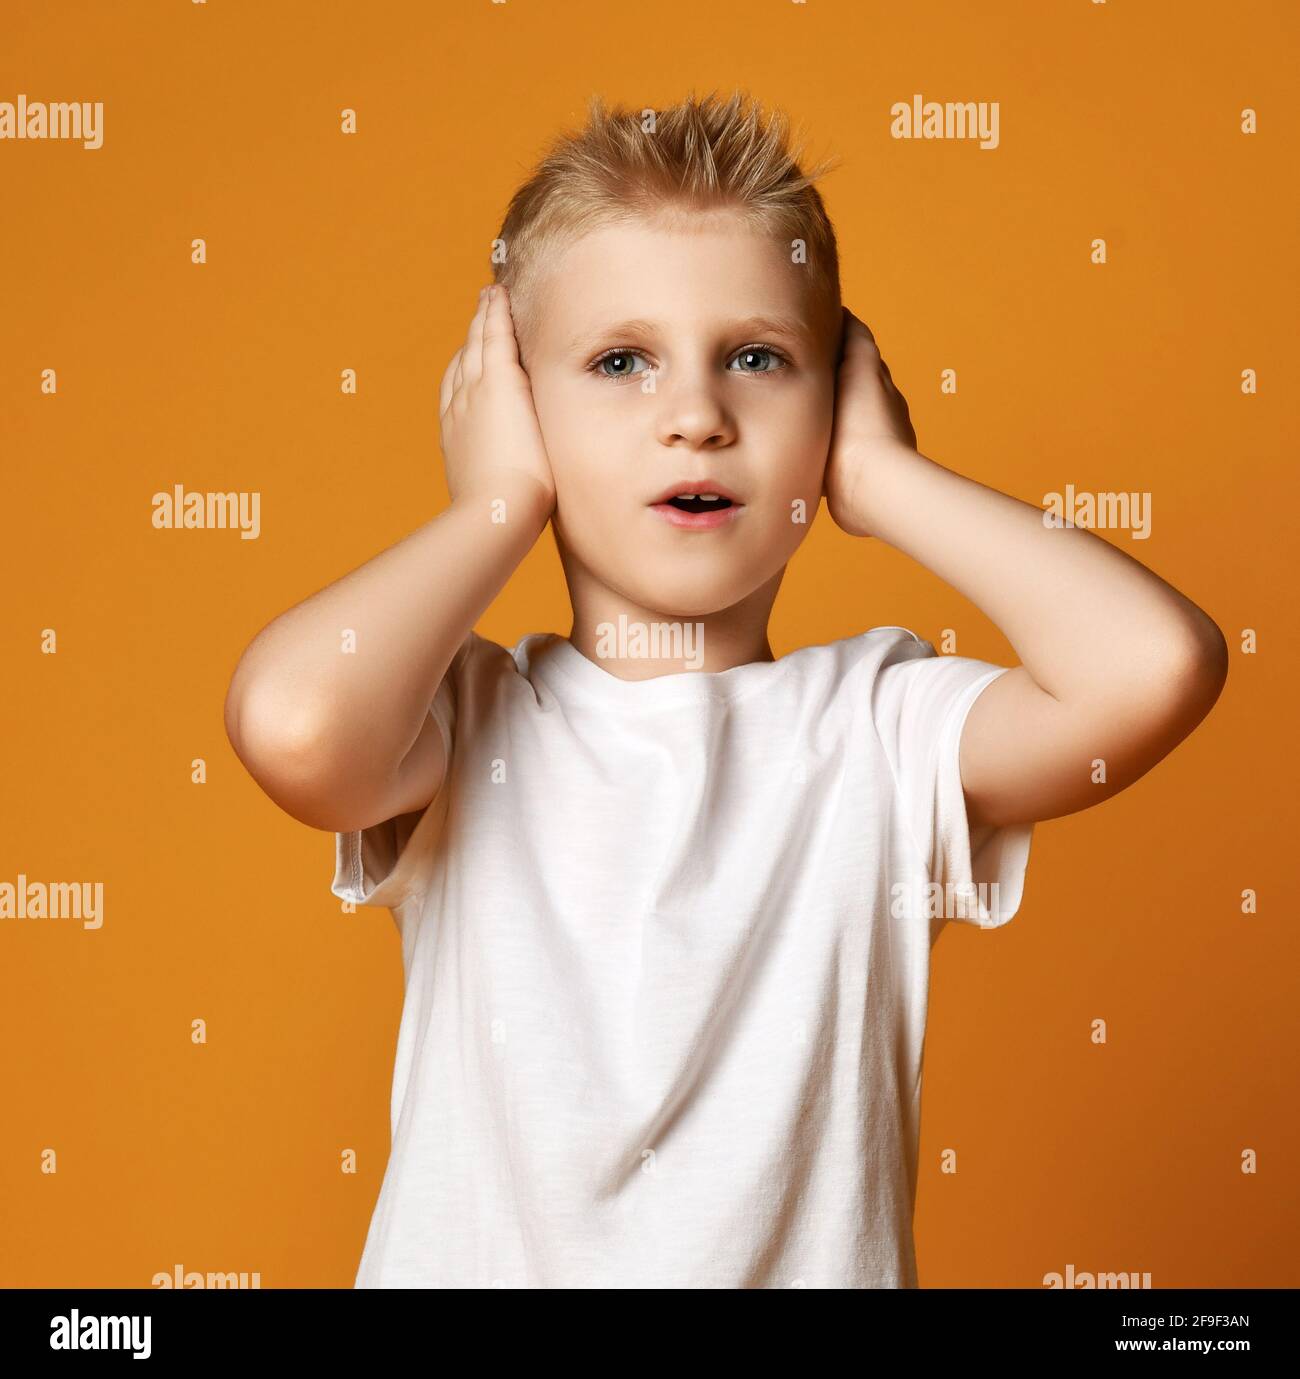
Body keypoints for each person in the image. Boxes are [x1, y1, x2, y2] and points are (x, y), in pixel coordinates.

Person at [223, 90, 1228, 1288]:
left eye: (757, 358)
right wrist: (492, 502)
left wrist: (882, 477)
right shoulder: (467, 721)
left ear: (833, 403)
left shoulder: (879, 732)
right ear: (516, 408)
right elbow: (292, 724)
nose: (695, 416)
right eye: (618, 362)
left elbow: (1156, 663)